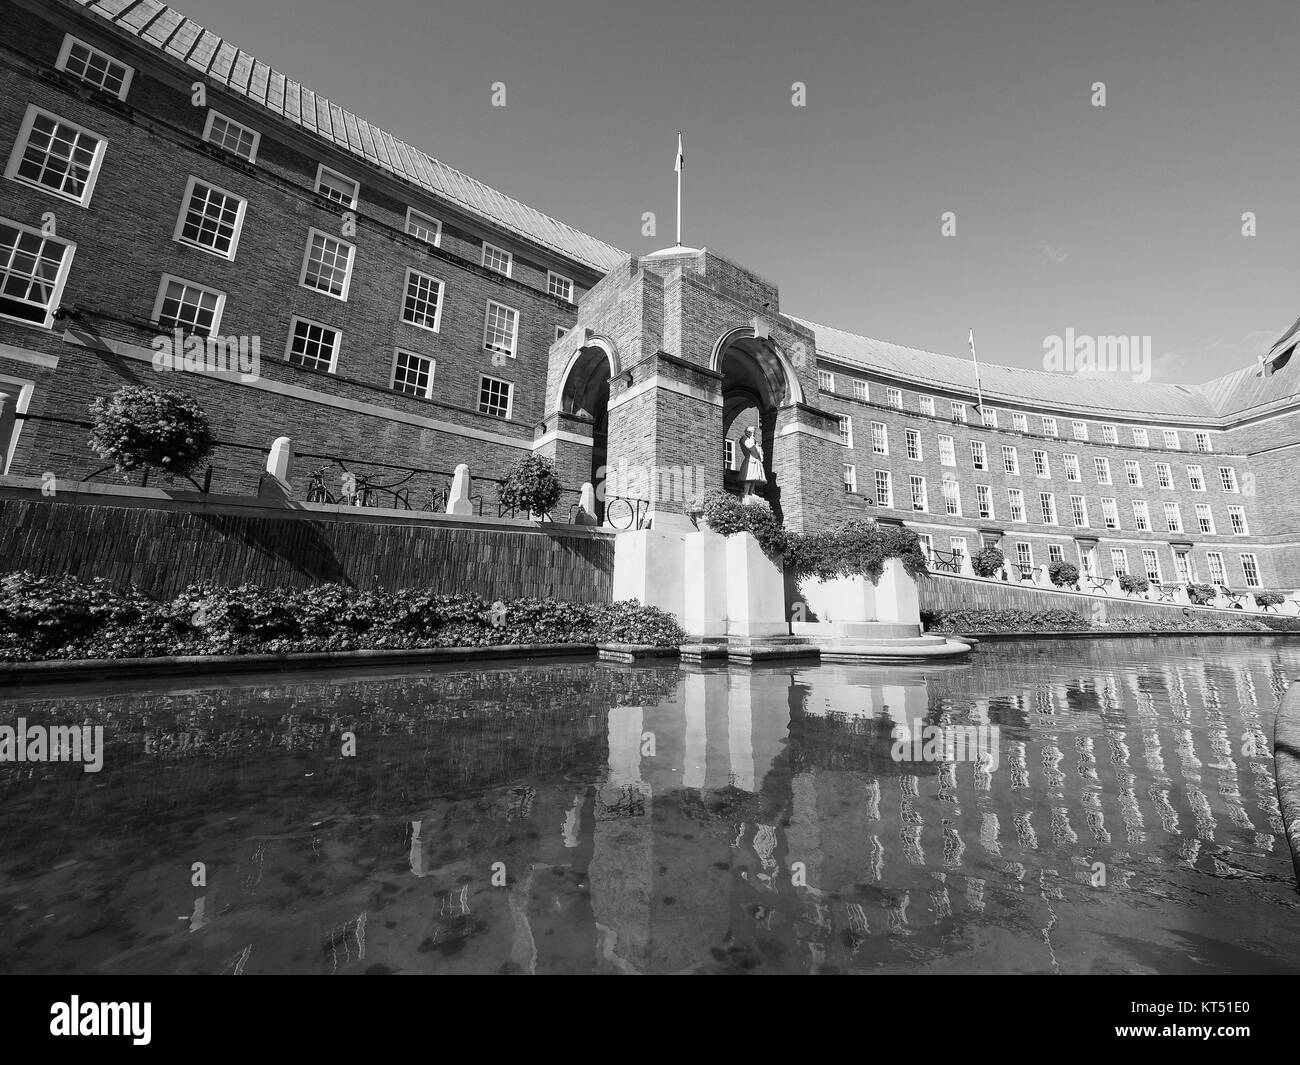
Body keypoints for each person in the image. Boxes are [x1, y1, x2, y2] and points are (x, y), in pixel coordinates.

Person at [738, 426, 766, 500]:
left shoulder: (753, 440)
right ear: (746, 431)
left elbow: (759, 452)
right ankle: (746, 492)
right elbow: (751, 448)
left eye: (754, 432)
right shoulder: (744, 439)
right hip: (750, 459)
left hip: (756, 460)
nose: (753, 433)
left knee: (754, 478)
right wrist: (753, 440)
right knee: (749, 477)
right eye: (751, 431)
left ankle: (751, 492)